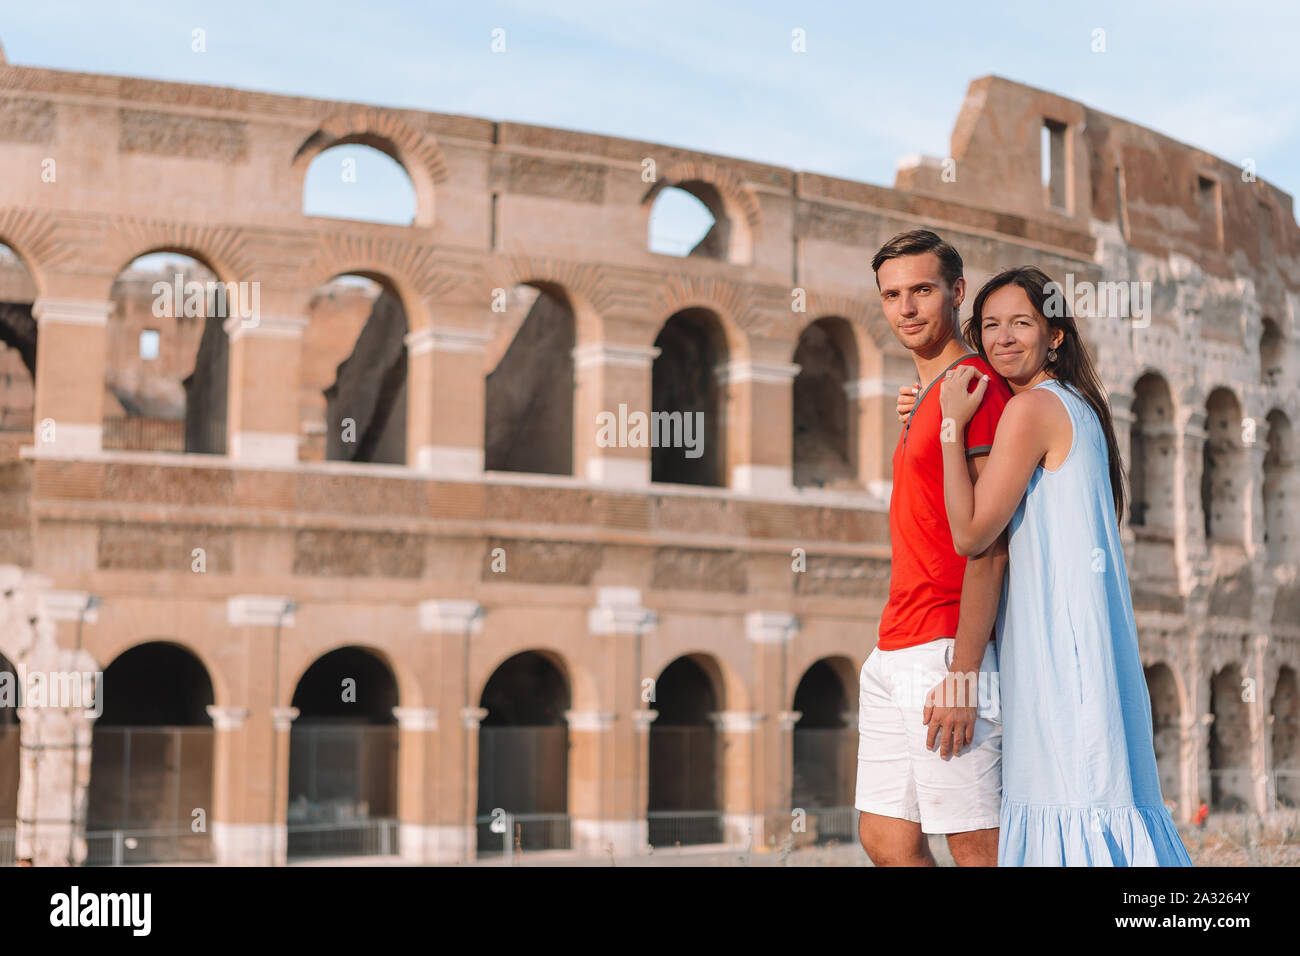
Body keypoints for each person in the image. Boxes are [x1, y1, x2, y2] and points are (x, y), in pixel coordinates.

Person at [931, 264, 1192, 866]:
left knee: (1066, 798)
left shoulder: (1031, 411)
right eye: (989, 326)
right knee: (1099, 797)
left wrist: (950, 425)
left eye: (1021, 322)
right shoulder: (1081, 406)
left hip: (1056, 647)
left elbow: (972, 534)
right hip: (1085, 640)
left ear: (1055, 334)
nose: (1002, 338)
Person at [855, 230, 1013, 867]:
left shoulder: (975, 386)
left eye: (922, 290)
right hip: (894, 644)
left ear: (958, 291)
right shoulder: (934, 397)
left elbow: (989, 539)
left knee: (977, 848)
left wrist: (965, 671)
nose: (907, 308)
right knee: (885, 839)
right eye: (892, 295)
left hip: (948, 646)